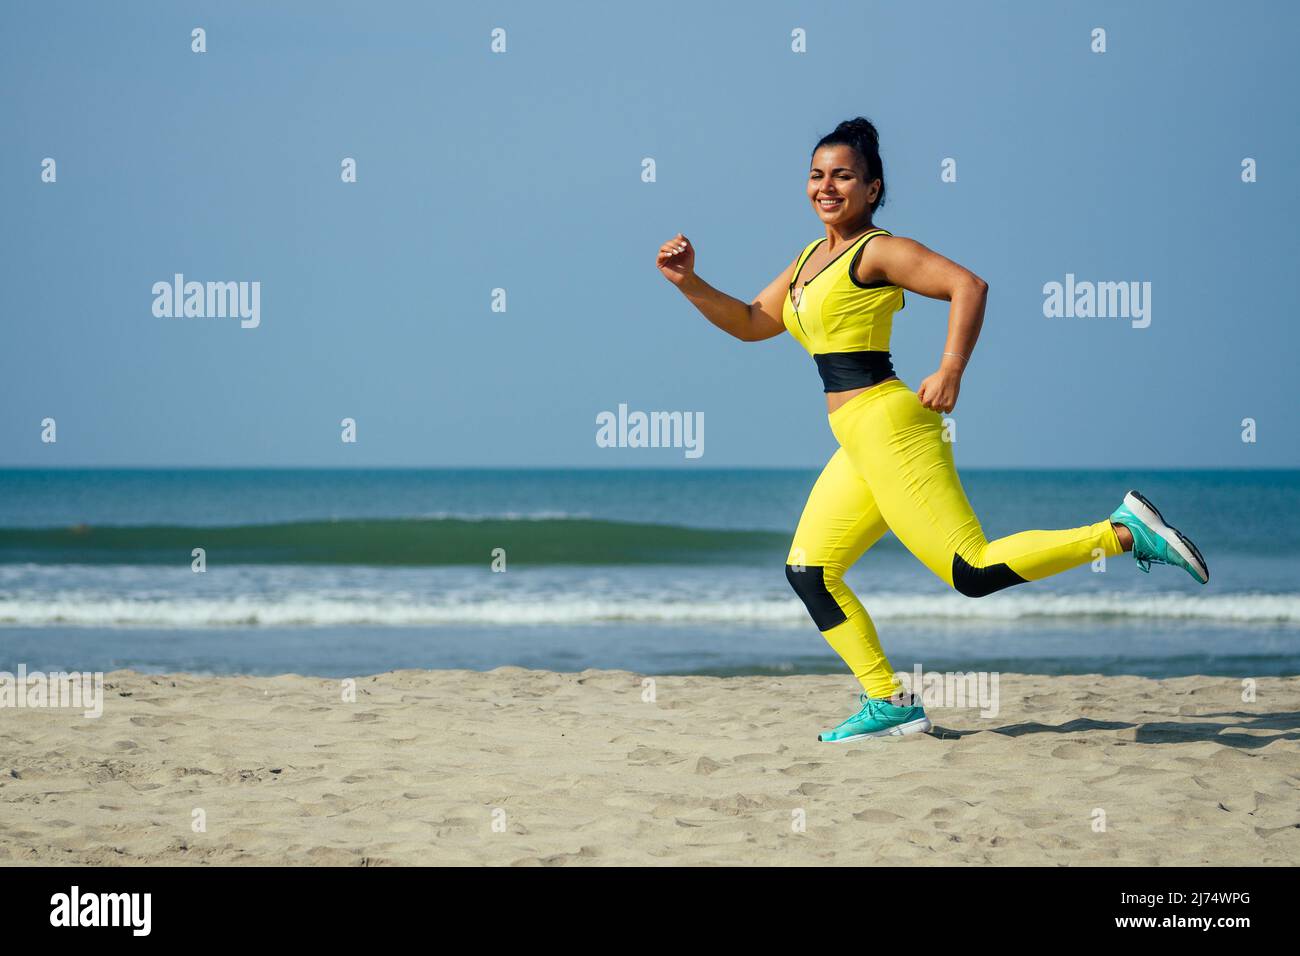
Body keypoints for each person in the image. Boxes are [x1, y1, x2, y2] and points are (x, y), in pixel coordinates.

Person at [655, 116, 1209, 743]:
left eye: (843, 175)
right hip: (858, 441)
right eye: (817, 175)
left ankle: (1121, 532)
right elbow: (755, 321)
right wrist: (690, 283)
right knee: (810, 570)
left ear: (872, 188)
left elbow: (967, 286)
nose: (826, 186)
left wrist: (951, 369)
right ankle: (888, 701)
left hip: (892, 425)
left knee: (971, 571)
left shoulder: (878, 250)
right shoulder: (810, 258)